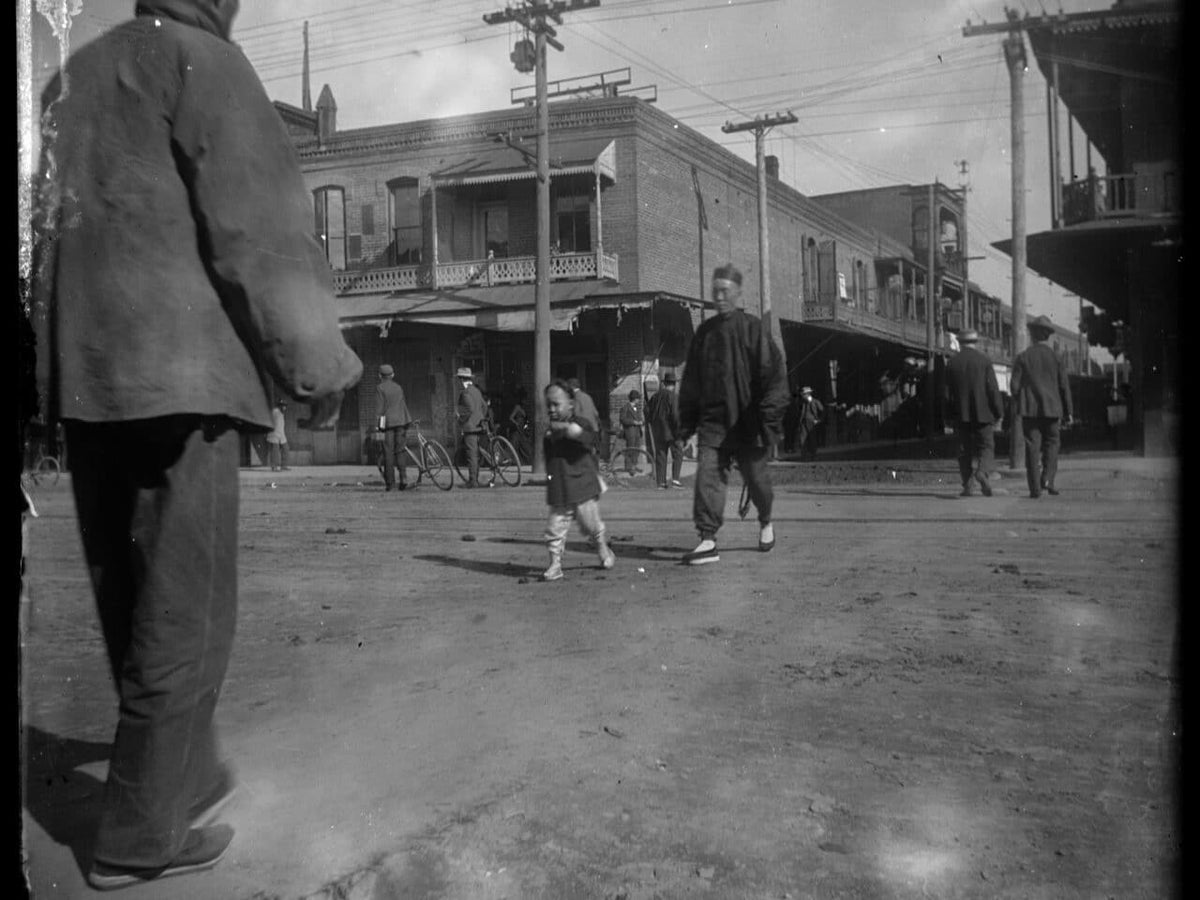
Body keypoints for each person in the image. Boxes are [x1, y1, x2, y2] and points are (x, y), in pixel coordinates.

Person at [29, 0, 364, 889]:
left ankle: (188, 773)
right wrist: (318, 370)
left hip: (88, 377)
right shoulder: (204, 62)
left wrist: (49, 374)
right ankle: (140, 839)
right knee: (186, 612)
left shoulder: (71, 77)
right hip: (184, 376)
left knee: (129, 595)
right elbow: (259, 231)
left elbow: (43, 236)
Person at [678, 264, 789, 564]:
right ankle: (707, 539)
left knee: (757, 480)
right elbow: (691, 382)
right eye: (715, 290)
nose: (719, 296)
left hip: (748, 423)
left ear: (738, 293)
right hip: (714, 424)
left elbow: (775, 378)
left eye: (725, 290)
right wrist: (685, 425)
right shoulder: (705, 333)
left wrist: (768, 420)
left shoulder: (753, 329)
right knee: (707, 478)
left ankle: (765, 520)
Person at [540, 380, 616, 581]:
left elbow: (592, 439)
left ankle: (602, 549)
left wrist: (576, 433)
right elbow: (549, 461)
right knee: (554, 528)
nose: (552, 409)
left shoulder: (580, 424)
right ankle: (555, 564)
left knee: (591, 525)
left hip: (582, 487)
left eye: (557, 404)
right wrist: (550, 482)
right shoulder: (549, 433)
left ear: (571, 405)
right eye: (548, 405)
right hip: (560, 489)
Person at [1011, 314, 1074, 498]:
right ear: (1048, 335)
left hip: (1029, 410)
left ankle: (1035, 489)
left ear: (1032, 335)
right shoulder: (1056, 357)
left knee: (1032, 446)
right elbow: (1064, 386)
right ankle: (1048, 479)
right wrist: (1069, 411)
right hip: (1052, 410)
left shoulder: (1023, 357)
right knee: (1053, 443)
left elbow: (1014, 386)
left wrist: (1019, 402)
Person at [944, 329, 1003, 497]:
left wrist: (947, 416)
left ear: (960, 343)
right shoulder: (984, 361)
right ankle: (982, 472)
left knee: (963, 450)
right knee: (987, 445)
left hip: (960, 414)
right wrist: (999, 412)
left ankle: (968, 485)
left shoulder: (952, 363)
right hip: (983, 414)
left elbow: (946, 394)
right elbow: (993, 389)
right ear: (975, 342)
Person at [376, 364, 412, 492]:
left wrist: (379, 427)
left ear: (380, 376)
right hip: (401, 422)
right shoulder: (398, 387)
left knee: (388, 453)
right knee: (400, 451)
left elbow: (380, 409)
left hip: (388, 425)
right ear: (392, 375)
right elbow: (403, 405)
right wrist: (407, 421)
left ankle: (390, 484)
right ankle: (404, 479)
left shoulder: (380, 388)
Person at [646, 371, 683, 488]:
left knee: (661, 456)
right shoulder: (673, 396)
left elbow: (646, 411)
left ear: (664, 383)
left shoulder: (655, 396)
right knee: (678, 454)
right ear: (674, 384)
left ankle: (661, 482)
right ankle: (675, 480)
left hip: (658, 431)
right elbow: (676, 415)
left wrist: (652, 422)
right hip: (672, 431)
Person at [456, 367, 488, 487]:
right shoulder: (476, 390)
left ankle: (473, 481)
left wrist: (460, 420)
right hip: (479, 427)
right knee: (477, 454)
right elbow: (484, 407)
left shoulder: (465, 393)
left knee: (472, 455)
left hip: (470, 428)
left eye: (459, 379)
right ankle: (475, 479)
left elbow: (469, 409)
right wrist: (480, 418)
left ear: (462, 379)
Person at [793, 386, 825, 461]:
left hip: (812, 423)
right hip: (803, 423)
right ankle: (804, 456)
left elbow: (822, 411)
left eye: (804, 394)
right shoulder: (802, 403)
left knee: (812, 439)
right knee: (802, 439)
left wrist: (819, 420)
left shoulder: (815, 402)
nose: (802, 396)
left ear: (808, 394)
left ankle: (813, 455)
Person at [619, 389, 645, 474]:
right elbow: (622, 419)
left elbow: (639, 418)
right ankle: (628, 467)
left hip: (637, 431)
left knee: (637, 449)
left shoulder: (637, 408)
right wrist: (633, 422)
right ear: (634, 399)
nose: (638, 400)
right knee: (630, 449)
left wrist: (641, 421)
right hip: (630, 431)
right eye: (637, 398)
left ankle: (634, 465)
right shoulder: (625, 407)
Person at [267, 400, 290, 471]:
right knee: (275, 451)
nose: (284, 407)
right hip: (274, 434)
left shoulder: (281, 413)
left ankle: (284, 465)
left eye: (285, 406)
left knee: (286, 449)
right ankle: (274, 466)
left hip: (281, 434)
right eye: (283, 405)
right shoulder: (275, 412)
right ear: (279, 406)